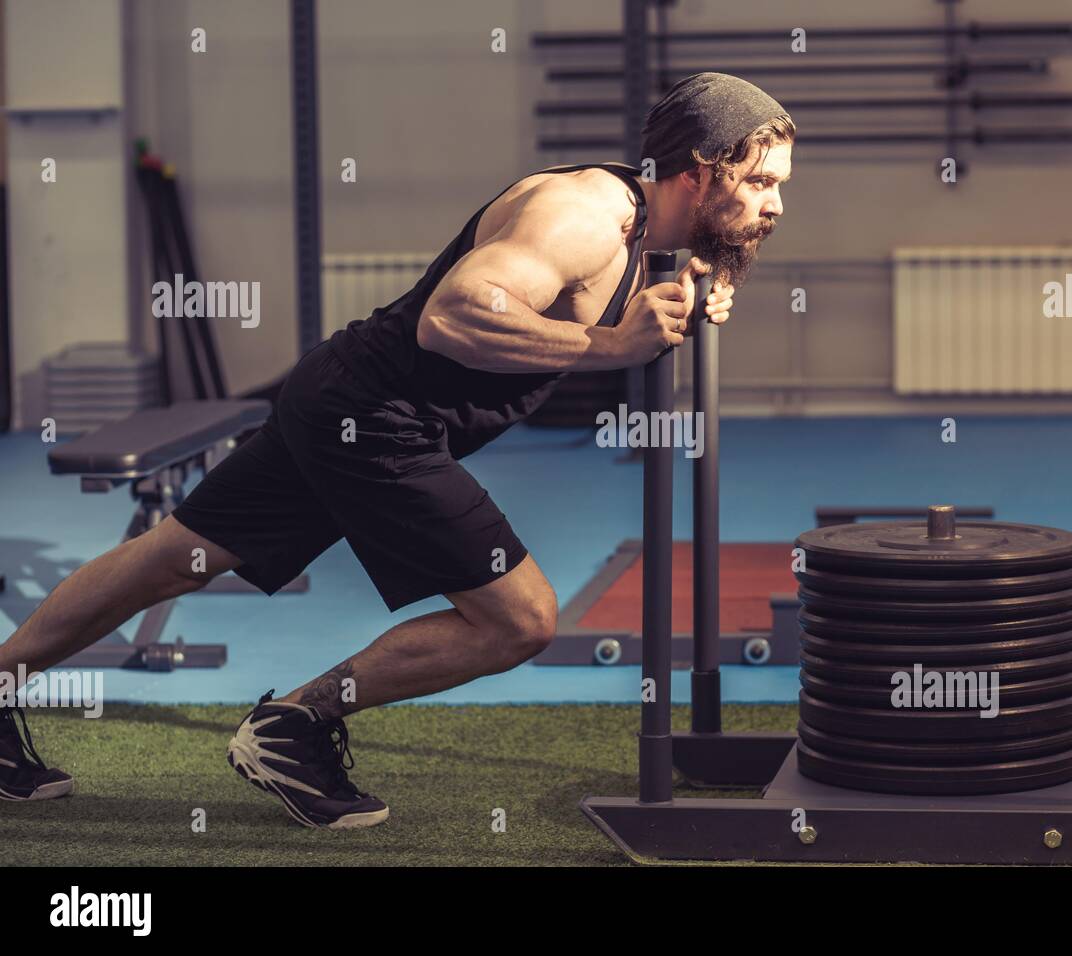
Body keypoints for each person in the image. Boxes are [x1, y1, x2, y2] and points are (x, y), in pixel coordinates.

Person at [0, 72, 794, 827]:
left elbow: (648, 287)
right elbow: (452, 317)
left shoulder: (650, 232)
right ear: (700, 171)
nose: (776, 203)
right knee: (520, 622)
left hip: (344, 398)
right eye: (760, 183)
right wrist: (614, 345)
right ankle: (293, 727)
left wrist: (700, 285)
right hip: (379, 418)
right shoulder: (584, 214)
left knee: (171, 558)